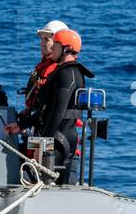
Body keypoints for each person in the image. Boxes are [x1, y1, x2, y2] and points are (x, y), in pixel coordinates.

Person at [5, 28, 93, 185]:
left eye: (56, 45)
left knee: (30, 179)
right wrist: (21, 125)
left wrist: (43, 144)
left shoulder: (68, 74)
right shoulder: (62, 72)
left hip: (60, 139)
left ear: (66, 49)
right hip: (54, 137)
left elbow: (58, 112)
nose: (53, 48)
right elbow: (46, 111)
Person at [17, 19, 67, 130]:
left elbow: (50, 107)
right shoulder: (43, 66)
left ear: (58, 44)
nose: (41, 43)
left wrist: (24, 124)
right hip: (35, 122)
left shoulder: (58, 71)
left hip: (48, 128)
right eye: (41, 39)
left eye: (46, 39)